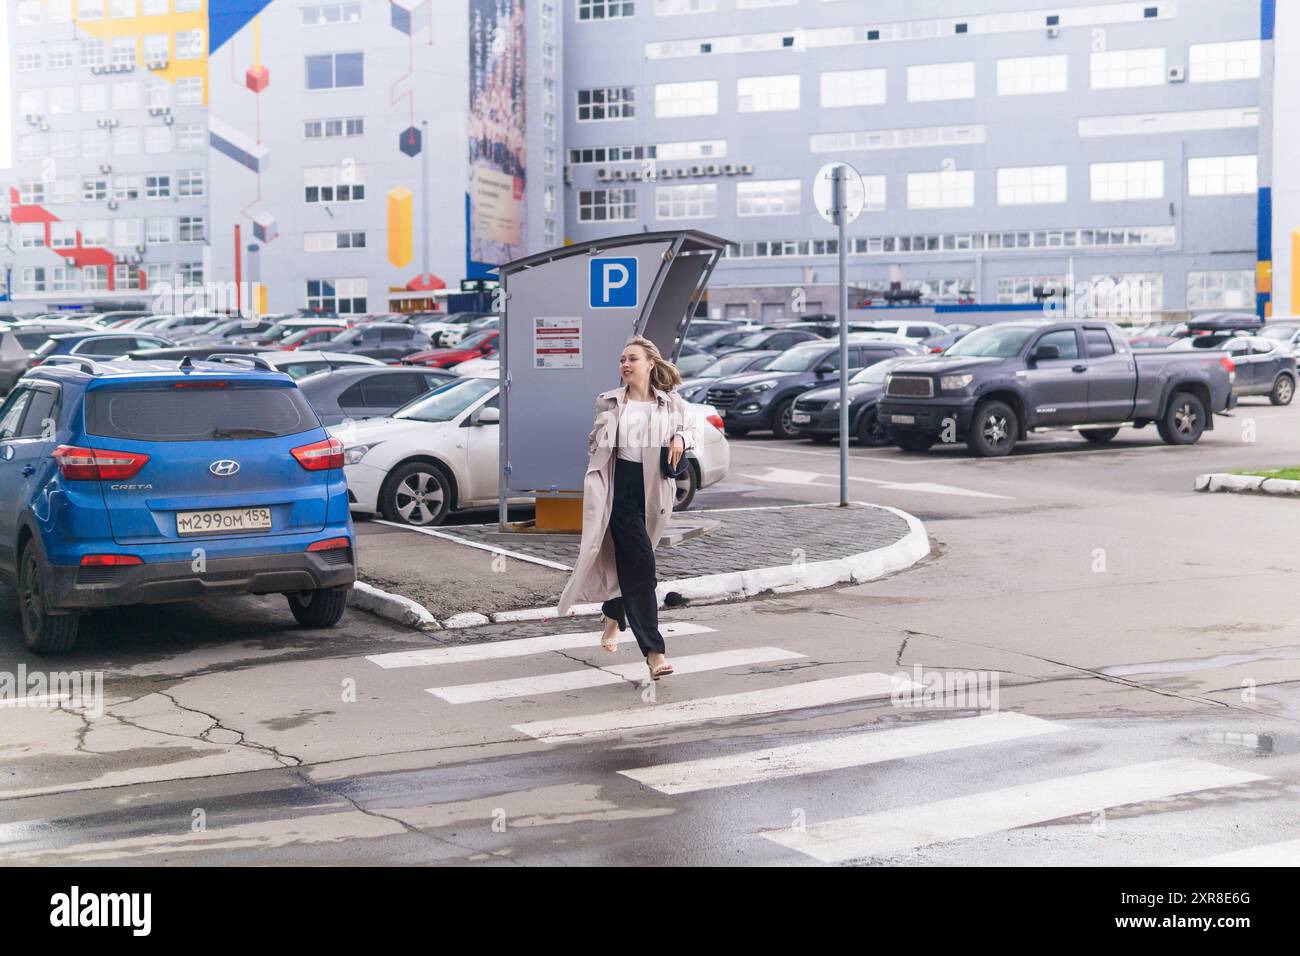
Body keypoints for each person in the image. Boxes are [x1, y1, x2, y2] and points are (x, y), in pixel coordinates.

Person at [555, 336, 697, 681]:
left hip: (653, 492)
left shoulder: (671, 403)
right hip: (618, 489)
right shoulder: (609, 402)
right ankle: (654, 652)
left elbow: (691, 430)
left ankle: (612, 614)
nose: (625, 364)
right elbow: (598, 446)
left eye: (632, 358)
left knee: (633, 565)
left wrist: (680, 438)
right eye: (622, 359)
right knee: (644, 569)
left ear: (650, 363)